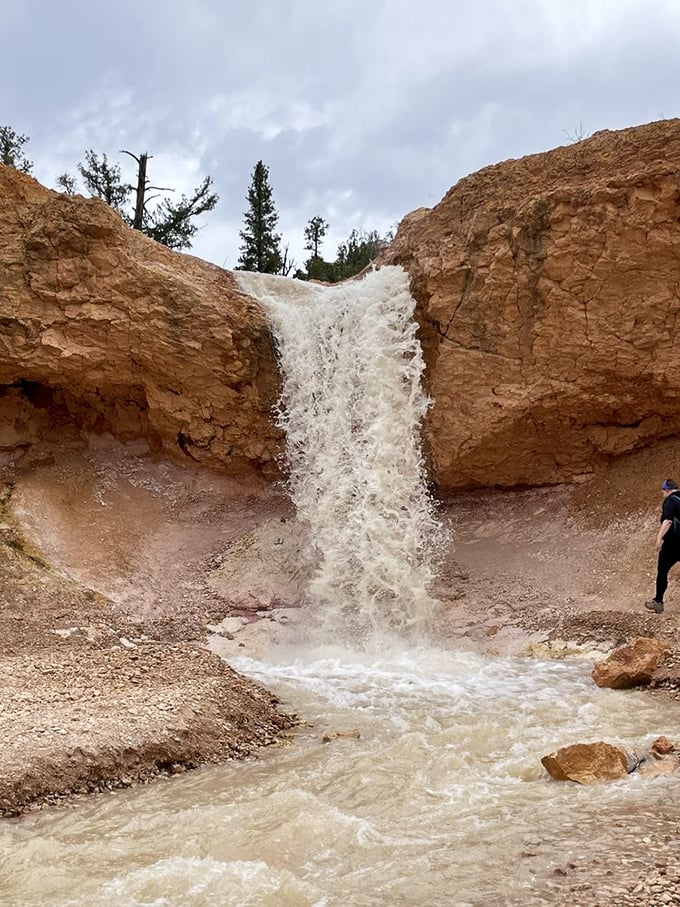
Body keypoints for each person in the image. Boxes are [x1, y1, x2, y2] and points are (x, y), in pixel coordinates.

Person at [645, 478, 680, 613]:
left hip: (674, 543)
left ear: (666, 490)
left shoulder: (670, 500)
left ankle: (658, 602)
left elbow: (668, 521)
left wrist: (659, 538)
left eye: (662, 491)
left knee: (663, 571)